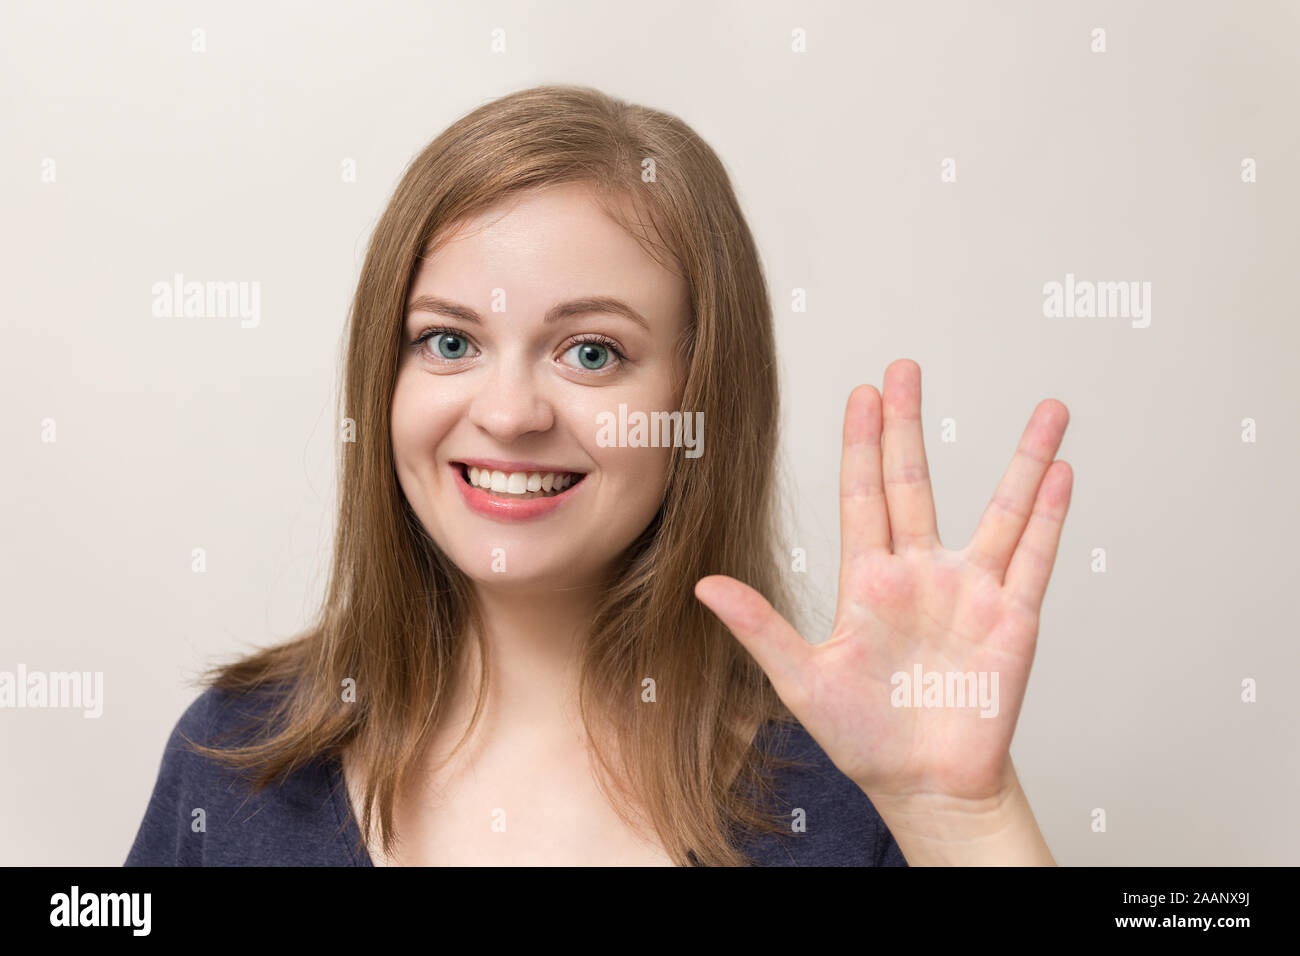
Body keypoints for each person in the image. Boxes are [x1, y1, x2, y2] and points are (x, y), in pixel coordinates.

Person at [125, 84, 1071, 867]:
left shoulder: (854, 802)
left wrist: (963, 821)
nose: (508, 413)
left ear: (700, 403)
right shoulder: (236, 765)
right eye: (448, 340)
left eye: (591, 353)